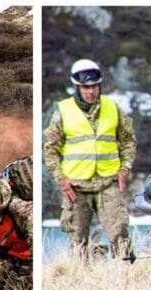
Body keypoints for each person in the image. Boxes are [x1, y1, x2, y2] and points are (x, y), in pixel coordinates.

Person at [43, 58, 136, 257]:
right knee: (78, 240)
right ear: (77, 87)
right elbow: (50, 150)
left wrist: (125, 169)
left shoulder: (113, 108)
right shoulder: (63, 111)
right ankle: (80, 273)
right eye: (86, 87)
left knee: (120, 233)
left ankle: (128, 271)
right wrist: (61, 180)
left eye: (94, 86)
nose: (91, 91)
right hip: (75, 186)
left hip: (108, 182)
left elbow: (128, 140)